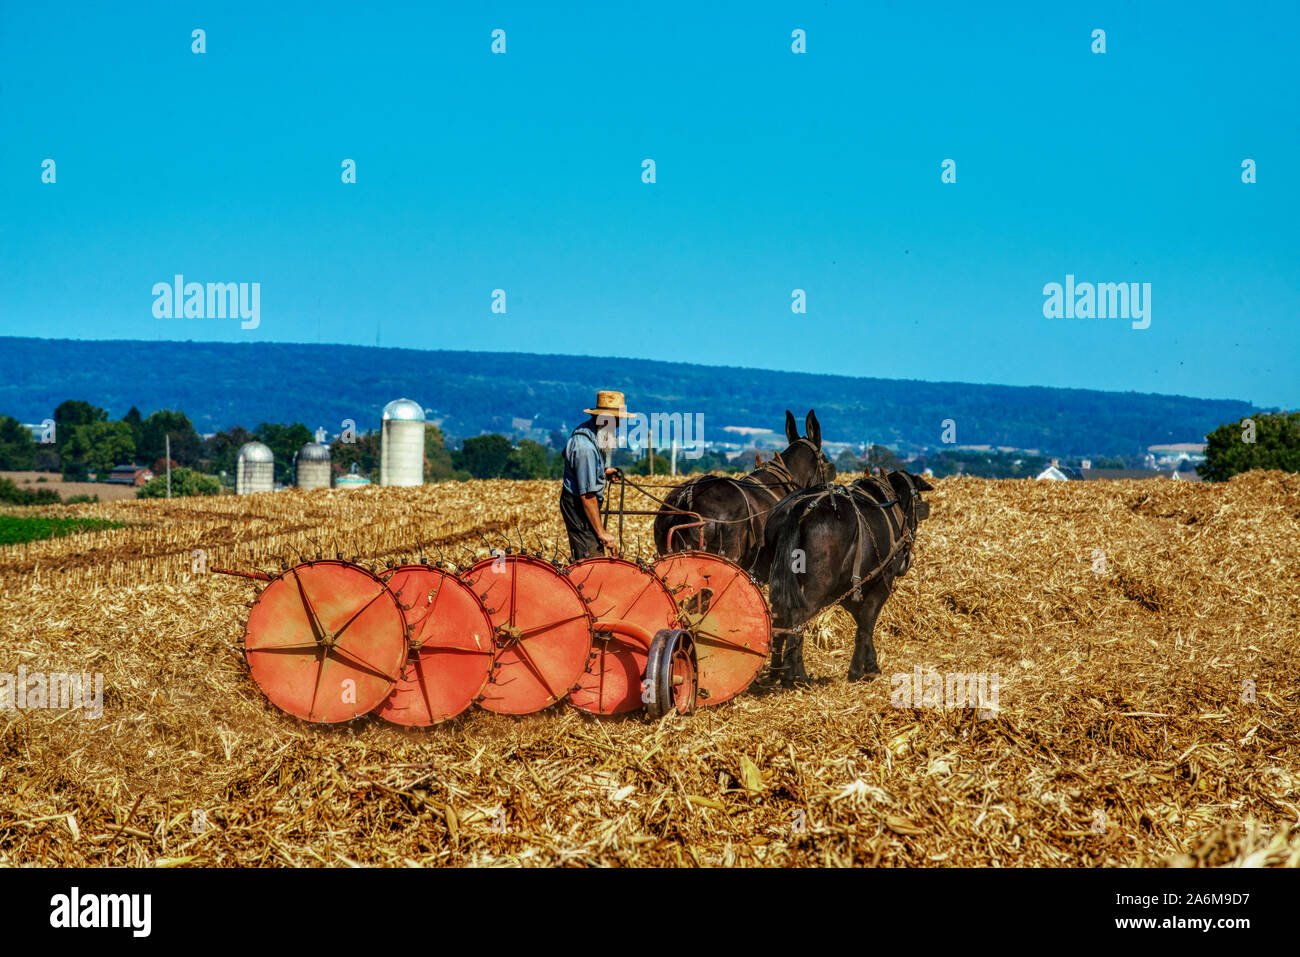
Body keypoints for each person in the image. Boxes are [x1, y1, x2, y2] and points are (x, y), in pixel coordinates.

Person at [560, 391, 630, 561]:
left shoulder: (589, 431)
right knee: (592, 561)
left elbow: (566, 456)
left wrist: (601, 472)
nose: (619, 425)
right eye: (617, 421)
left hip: (583, 503)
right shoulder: (585, 448)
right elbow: (587, 496)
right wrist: (602, 533)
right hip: (578, 506)